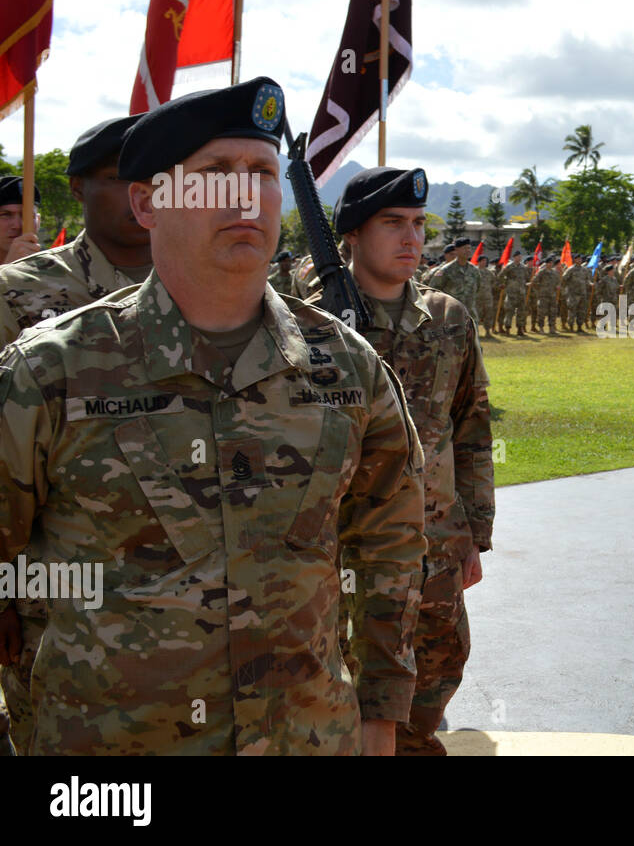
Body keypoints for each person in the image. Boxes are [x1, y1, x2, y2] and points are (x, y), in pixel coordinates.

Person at [0, 77, 427, 755]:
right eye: (213, 174)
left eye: (260, 173)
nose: (243, 197)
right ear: (147, 203)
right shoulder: (49, 373)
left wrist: (380, 714)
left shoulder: (346, 367)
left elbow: (391, 542)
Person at [316, 166, 495, 757]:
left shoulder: (448, 319)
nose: (411, 238)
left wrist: (475, 533)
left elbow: (471, 428)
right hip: (339, 543)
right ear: (351, 235)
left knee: (443, 657)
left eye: (418, 224)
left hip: (435, 536)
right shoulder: (307, 324)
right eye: (392, 223)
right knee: (342, 670)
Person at [0, 114, 153, 755]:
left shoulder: (202, 288)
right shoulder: (17, 294)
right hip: (54, 596)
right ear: (78, 186)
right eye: (119, 180)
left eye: (155, 180)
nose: (140, 197)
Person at [0, 177, 41, 264]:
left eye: (27, 215)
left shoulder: (57, 269)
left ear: (38, 221)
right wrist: (9, 270)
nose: (17, 225)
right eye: (6, 215)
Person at [530, 256, 561, 334]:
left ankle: (552, 328)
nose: (551, 264)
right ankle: (541, 327)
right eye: (549, 263)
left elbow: (558, 281)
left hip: (552, 295)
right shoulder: (542, 271)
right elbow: (534, 281)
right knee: (542, 312)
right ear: (546, 264)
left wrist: (558, 286)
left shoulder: (555, 272)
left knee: (553, 312)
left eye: (551, 263)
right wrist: (540, 288)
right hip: (543, 295)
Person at [500, 251, 528, 336]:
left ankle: (520, 329)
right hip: (511, 292)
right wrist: (503, 283)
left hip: (521, 293)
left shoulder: (523, 267)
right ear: (514, 257)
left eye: (520, 257)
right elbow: (501, 275)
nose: (519, 258)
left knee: (521, 311)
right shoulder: (509, 266)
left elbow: (525, 278)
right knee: (510, 311)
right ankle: (507, 328)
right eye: (518, 257)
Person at [476, 254, 498, 338]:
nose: (484, 263)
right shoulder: (474, 272)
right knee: (477, 315)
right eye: (483, 261)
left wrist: (500, 286)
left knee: (488, 315)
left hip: (488, 298)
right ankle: (475, 332)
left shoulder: (489, 273)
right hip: (477, 298)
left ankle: (488, 331)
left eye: (485, 261)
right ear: (479, 262)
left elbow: (494, 283)